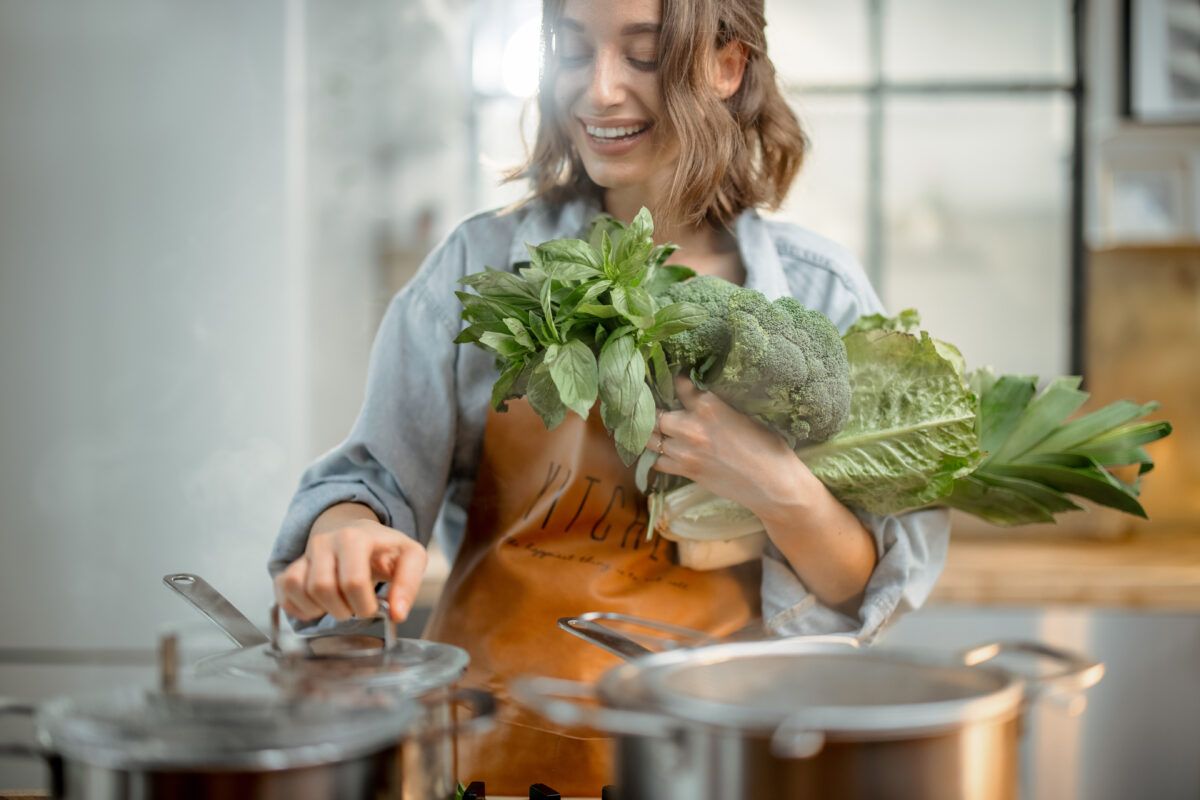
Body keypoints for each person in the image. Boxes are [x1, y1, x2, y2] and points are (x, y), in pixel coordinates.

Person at [269, 0, 950, 793]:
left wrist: (776, 485)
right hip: (490, 757)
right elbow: (376, 484)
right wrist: (346, 534)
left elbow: (865, 584)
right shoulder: (479, 268)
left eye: (645, 54)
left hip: (710, 763)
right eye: (571, 48)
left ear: (727, 65)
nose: (598, 91)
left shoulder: (818, 294)